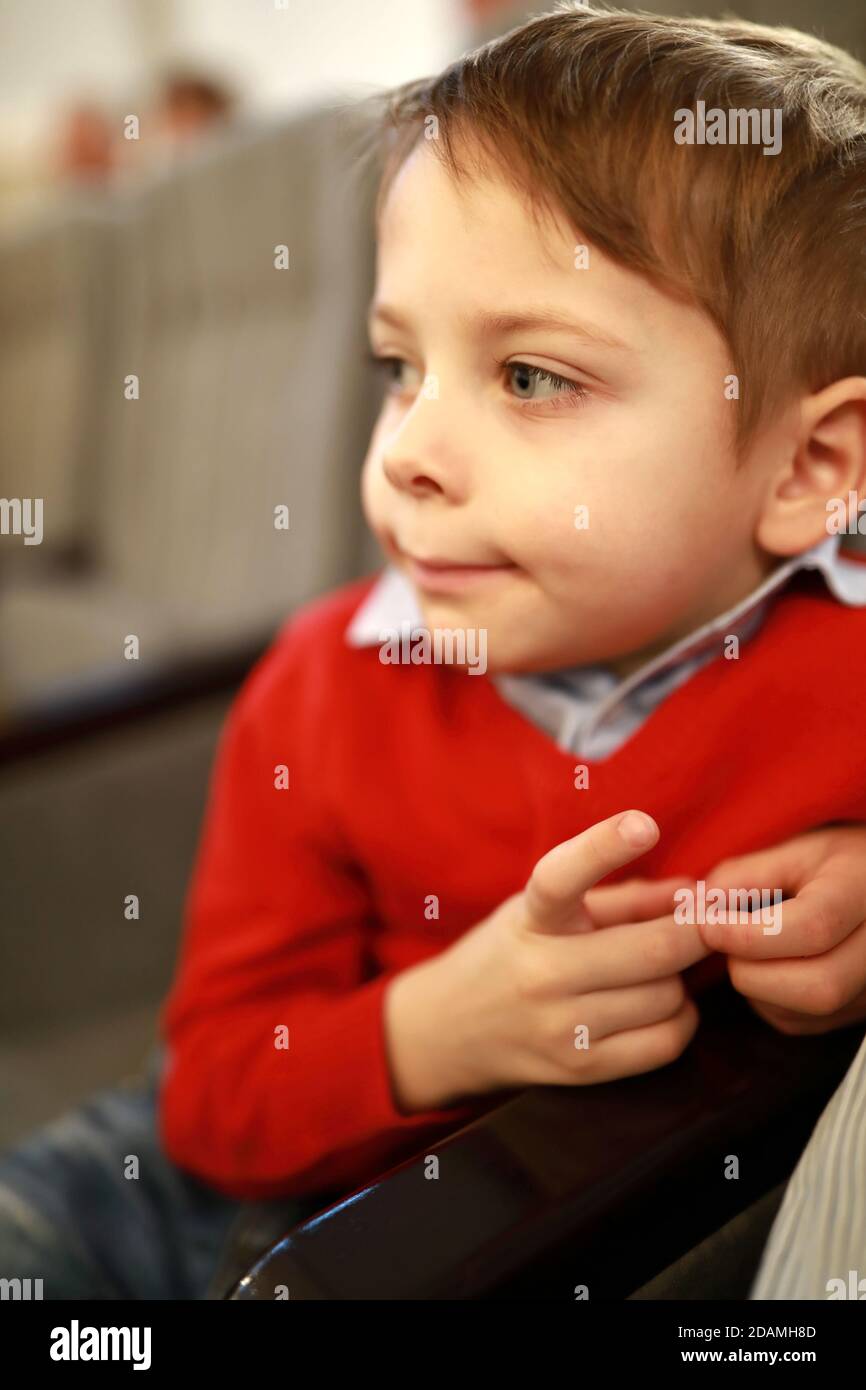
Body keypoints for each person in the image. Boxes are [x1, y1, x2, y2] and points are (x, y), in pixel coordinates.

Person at [3, 4, 866, 1300]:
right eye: (398, 366)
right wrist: (439, 1028)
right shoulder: (318, 690)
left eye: (528, 377)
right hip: (228, 1187)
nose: (406, 447)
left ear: (809, 468)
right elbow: (214, 1098)